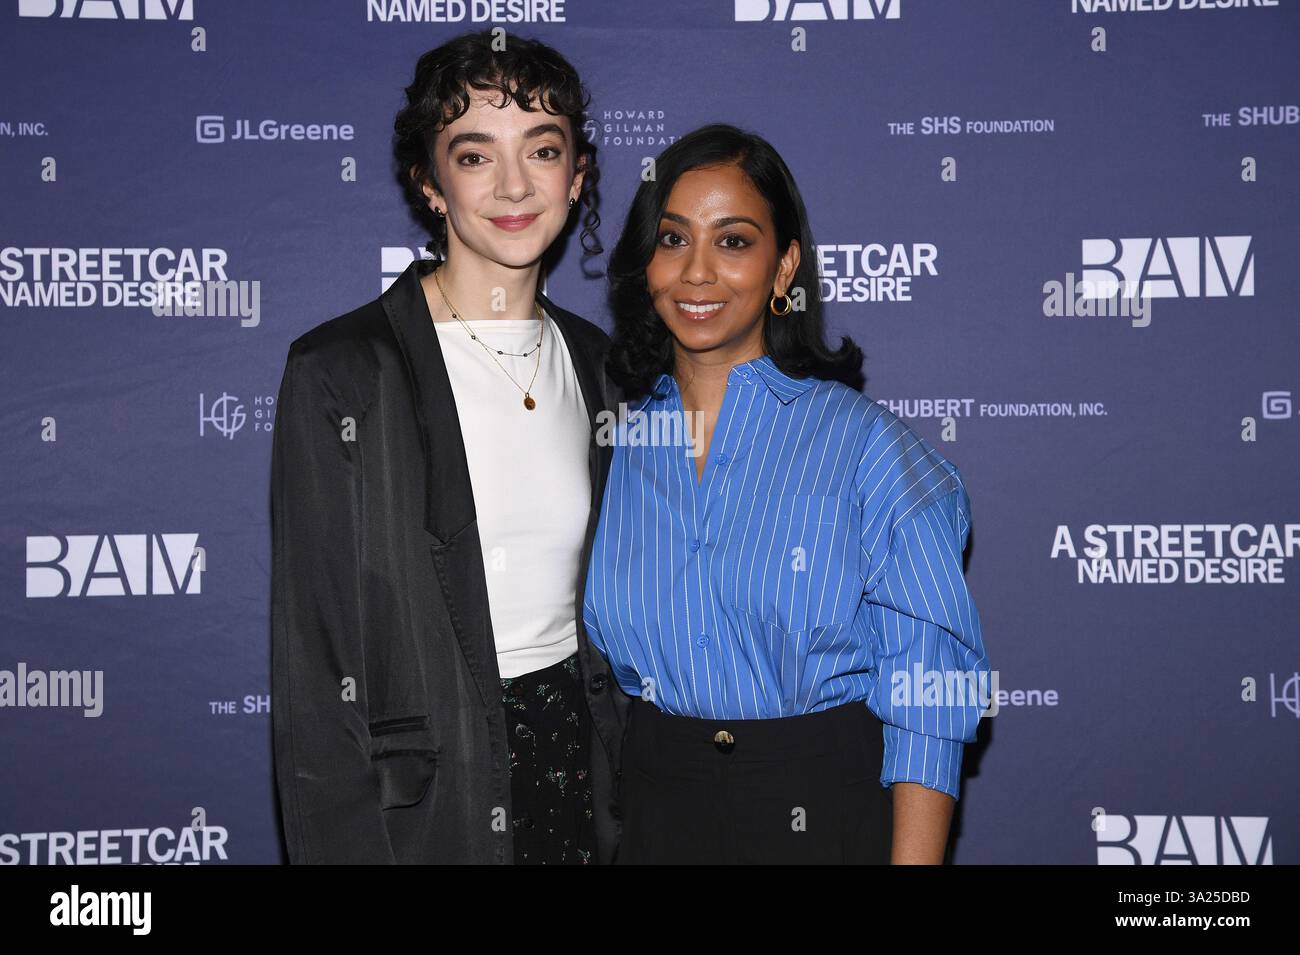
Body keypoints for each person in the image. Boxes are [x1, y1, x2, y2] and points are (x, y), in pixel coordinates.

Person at [583, 124, 992, 864]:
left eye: (733, 241)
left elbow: (927, 694)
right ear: (647, 261)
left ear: (784, 266)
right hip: (653, 814)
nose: (697, 272)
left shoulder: (868, 449)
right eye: (674, 240)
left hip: (822, 811)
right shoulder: (611, 446)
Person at [270, 30, 629, 864]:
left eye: (542, 149)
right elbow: (317, 677)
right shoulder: (343, 374)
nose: (513, 185)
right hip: (432, 809)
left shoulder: (605, 367)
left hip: (594, 789)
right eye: (475, 155)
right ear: (428, 183)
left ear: (576, 176)